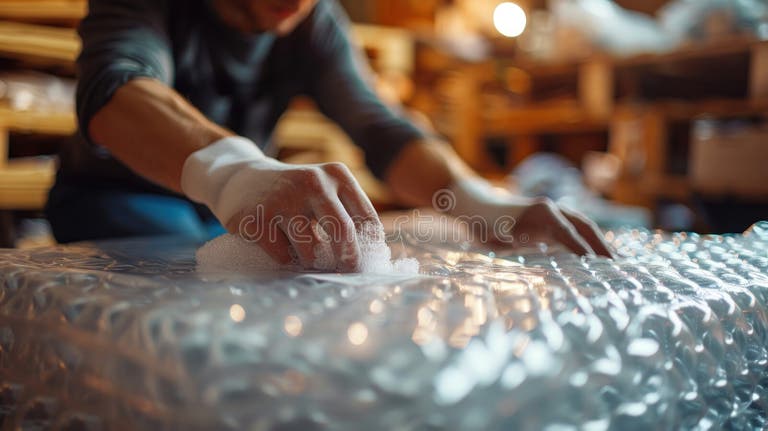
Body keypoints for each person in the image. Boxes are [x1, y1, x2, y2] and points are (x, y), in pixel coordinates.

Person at [46, 0, 613, 272]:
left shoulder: (314, 25)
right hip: (120, 193)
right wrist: (236, 172)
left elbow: (380, 128)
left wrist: (480, 205)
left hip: (225, 208)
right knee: (200, 277)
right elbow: (114, 91)